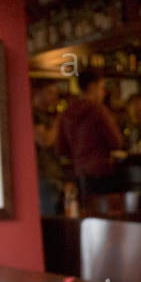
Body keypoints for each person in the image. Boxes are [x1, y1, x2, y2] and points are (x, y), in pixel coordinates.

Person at [55, 70, 124, 200]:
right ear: (92, 87)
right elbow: (117, 142)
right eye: (102, 88)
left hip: (79, 174)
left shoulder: (66, 113)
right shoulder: (98, 110)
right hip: (102, 172)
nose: (104, 92)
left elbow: (61, 149)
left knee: (88, 214)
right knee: (106, 216)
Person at [31, 79, 63, 216]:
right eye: (50, 92)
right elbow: (44, 141)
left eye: (55, 93)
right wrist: (58, 123)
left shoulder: (47, 116)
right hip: (43, 175)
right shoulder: (33, 115)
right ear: (37, 92)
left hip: (54, 173)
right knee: (50, 220)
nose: (54, 97)